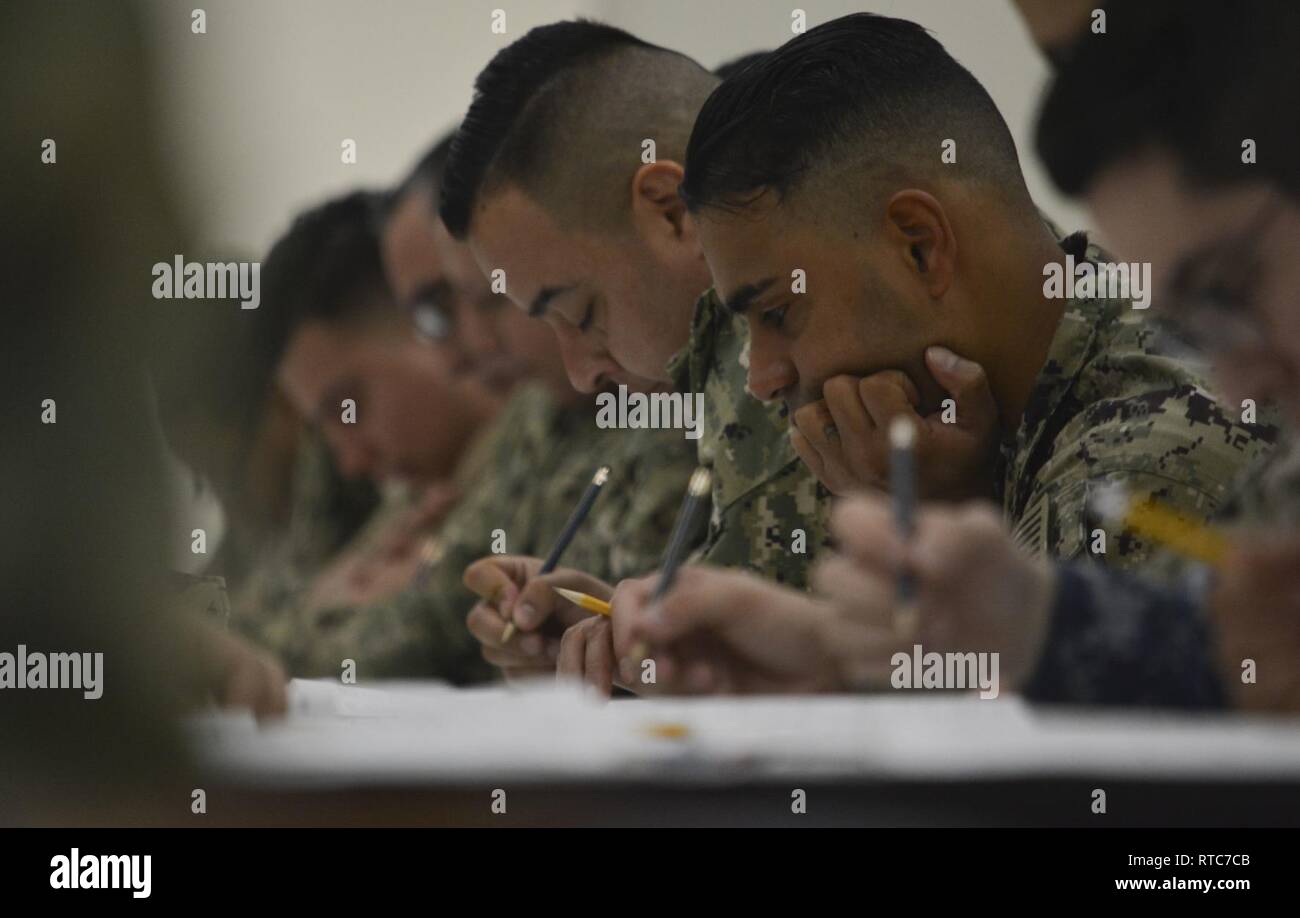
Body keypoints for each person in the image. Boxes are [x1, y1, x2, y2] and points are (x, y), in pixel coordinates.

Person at [611, 3, 1300, 711]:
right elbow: (1168, 661)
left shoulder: (1156, 445)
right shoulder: (991, 421)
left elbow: (1103, 780)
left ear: (920, 244)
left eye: (780, 313)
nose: (760, 377)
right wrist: (832, 657)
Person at [243, 138, 701, 684]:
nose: (466, 348)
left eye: (462, 302)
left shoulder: (645, 397)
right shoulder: (529, 426)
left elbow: (420, 632)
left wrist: (320, 610)